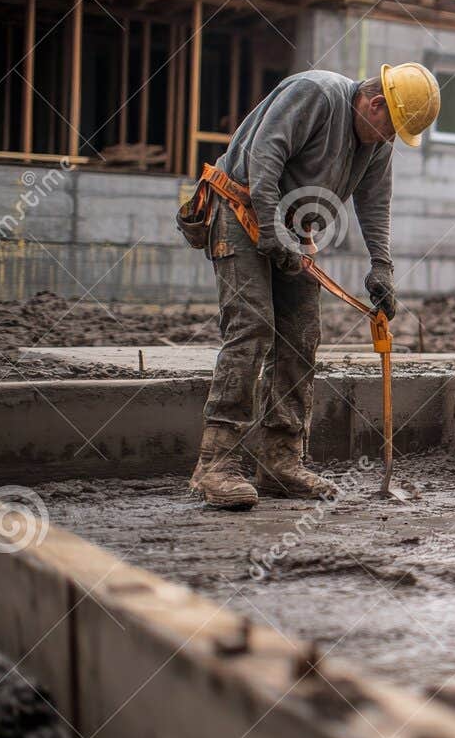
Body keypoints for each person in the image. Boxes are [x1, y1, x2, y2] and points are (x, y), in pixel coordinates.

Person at [178, 64, 440, 508]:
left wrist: (382, 266)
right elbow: (265, 154)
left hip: (293, 228)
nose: (390, 140)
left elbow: (375, 200)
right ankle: (215, 465)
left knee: (300, 336)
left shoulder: (376, 139)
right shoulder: (314, 93)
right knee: (252, 326)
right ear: (375, 104)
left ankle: (280, 460)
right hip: (240, 207)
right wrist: (268, 225)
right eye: (391, 129)